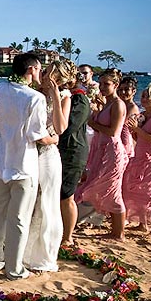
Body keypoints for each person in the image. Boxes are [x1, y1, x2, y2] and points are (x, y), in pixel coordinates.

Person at [0, 53, 55, 281]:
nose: (41, 74)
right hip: (24, 164)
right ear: (32, 69)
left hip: (2, 161)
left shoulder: (0, 89)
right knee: (18, 218)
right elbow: (37, 135)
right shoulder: (35, 98)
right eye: (39, 69)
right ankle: (14, 268)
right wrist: (55, 138)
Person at [22, 61, 70, 272]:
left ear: (57, 79)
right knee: (29, 203)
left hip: (49, 156)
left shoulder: (65, 97)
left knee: (47, 205)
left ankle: (44, 256)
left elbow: (59, 128)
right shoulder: (31, 91)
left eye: (49, 73)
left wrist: (56, 95)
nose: (43, 75)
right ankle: (22, 252)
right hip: (30, 152)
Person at [74, 68, 129, 240]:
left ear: (116, 85)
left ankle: (118, 232)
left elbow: (113, 131)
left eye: (107, 84)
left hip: (112, 152)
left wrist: (92, 122)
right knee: (99, 186)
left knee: (112, 190)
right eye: (102, 84)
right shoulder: (106, 104)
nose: (103, 87)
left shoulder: (118, 104)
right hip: (101, 150)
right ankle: (113, 228)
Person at [54, 59, 91, 246]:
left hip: (73, 151)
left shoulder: (79, 100)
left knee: (67, 195)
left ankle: (68, 236)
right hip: (62, 150)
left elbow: (68, 128)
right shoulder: (67, 96)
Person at [123, 82, 151, 239]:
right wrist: (133, 131)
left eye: (149, 96)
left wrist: (136, 129)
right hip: (140, 156)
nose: (145, 99)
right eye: (143, 96)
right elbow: (138, 138)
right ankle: (142, 223)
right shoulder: (142, 115)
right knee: (137, 190)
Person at [117, 75, 140, 159]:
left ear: (133, 91)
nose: (123, 92)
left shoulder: (132, 108)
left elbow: (121, 124)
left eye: (126, 90)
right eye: (120, 90)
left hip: (124, 141)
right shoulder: (120, 104)